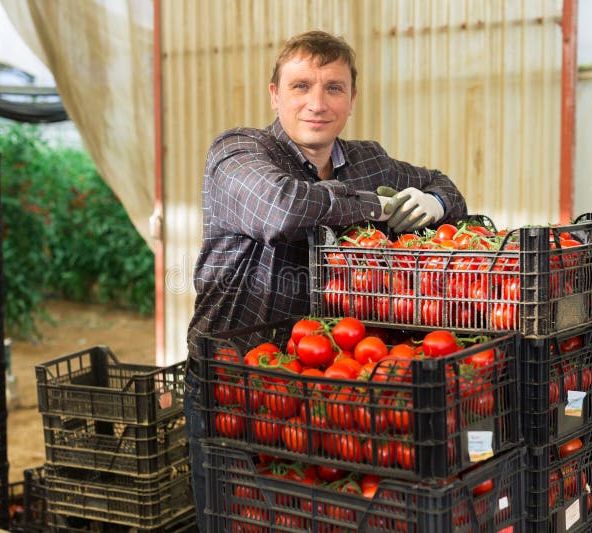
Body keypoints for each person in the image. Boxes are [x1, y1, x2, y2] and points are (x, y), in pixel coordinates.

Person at [183, 29, 467, 530]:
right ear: (275, 94)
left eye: (334, 88)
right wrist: (378, 205)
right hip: (237, 378)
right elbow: (283, 208)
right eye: (301, 86)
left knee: (332, 516)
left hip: (335, 383)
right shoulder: (237, 153)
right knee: (244, 519)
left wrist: (436, 203)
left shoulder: (369, 161)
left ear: (352, 100)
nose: (317, 102)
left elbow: (443, 184)